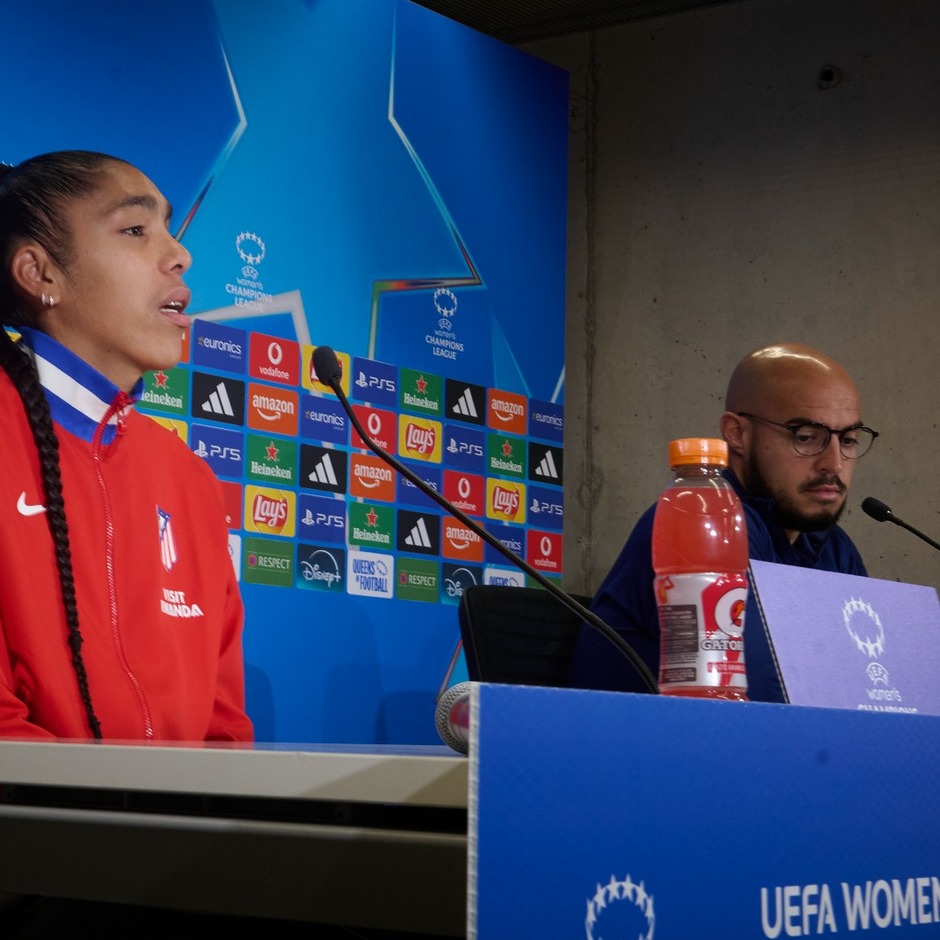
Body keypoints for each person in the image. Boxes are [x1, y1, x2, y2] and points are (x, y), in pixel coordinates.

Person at [0, 150, 253, 741]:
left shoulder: (190, 478)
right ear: (40, 274)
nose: (180, 255)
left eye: (169, 228)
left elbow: (223, 730)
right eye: (135, 229)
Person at [566, 341, 877, 702]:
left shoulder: (834, 548)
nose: (834, 464)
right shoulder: (704, 522)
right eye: (806, 437)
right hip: (641, 736)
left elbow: (866, 688)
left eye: (849, 440)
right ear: (737, 433)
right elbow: (764, 693)